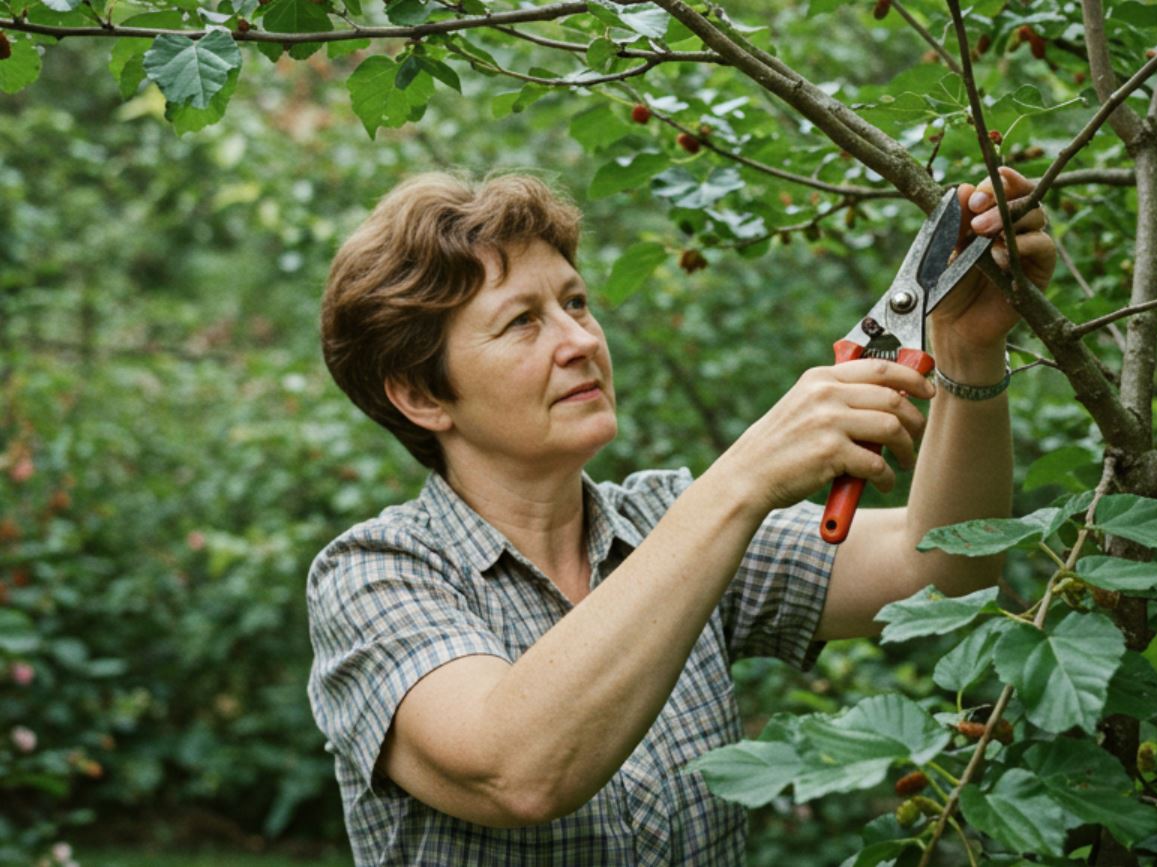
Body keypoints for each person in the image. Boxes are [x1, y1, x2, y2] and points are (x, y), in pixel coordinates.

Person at [306, 166, 1054, 866]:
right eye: (522, 323)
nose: (580, 341)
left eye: (574, 302)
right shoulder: (374, 575)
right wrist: (742, 478)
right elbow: (516, 771)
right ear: (421, 395)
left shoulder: (664, 521)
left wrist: (968, 348)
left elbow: (941, 570)